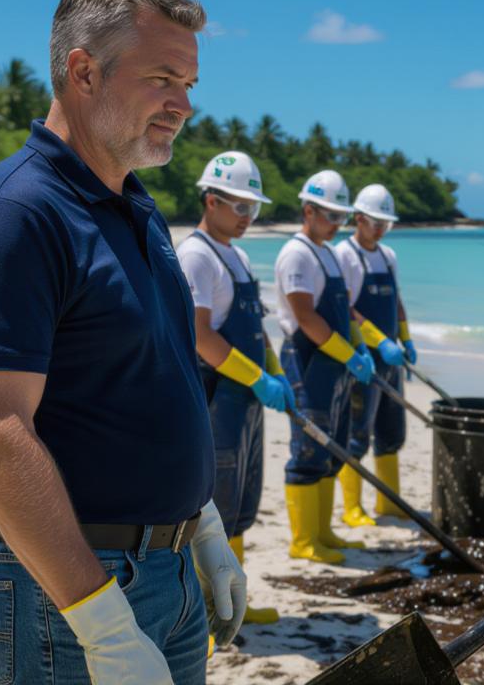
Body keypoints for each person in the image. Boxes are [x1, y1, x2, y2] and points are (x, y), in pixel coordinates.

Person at [0, 0, 246, 685]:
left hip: (169, 569)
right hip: (72, 587)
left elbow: (153, 379)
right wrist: (102, 623)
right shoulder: (16, 214)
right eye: (162, 79)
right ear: (83, 71)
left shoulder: (136, 208)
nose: (183, 105)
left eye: (189, 84)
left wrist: (201, 523)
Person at [177, 150, 291, 626]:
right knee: (212, 505)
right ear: (211, 200)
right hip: (214, 399)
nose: (248, 216)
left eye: (254, 208)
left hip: (245, 399)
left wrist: (275, 370)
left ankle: (232, 599)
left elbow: (255, 325)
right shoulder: (196, 256)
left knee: (240, 500)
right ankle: (203, 613)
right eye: (241, 206)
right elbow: (200, 335)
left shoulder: (238, 256)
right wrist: (255, 377)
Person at [273, 170, 376, 564]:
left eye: (341, 217)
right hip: (306, 361)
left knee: (333, 447)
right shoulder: (296, 253)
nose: (337, 224)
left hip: (336, 363)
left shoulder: (328, 253)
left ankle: (324, 531)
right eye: (331, 215)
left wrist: (359, 346)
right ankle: (303, 541)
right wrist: (347, 354)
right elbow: (305, 317)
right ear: (309, 211)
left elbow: (344, 309)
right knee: (308, 450)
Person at [333, 184, 417, 526]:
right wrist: (378, 341)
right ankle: (353, 507)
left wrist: (406, 338)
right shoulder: (344, 255)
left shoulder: (388, 256)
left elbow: (396, 300)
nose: (381, 229)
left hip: (391, 359)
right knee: (357, 433)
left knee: (391, 430)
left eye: (386, 223)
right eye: (376, 222)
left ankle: (389, 501)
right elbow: (345, 309)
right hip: (362, 360)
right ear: (358, 218)